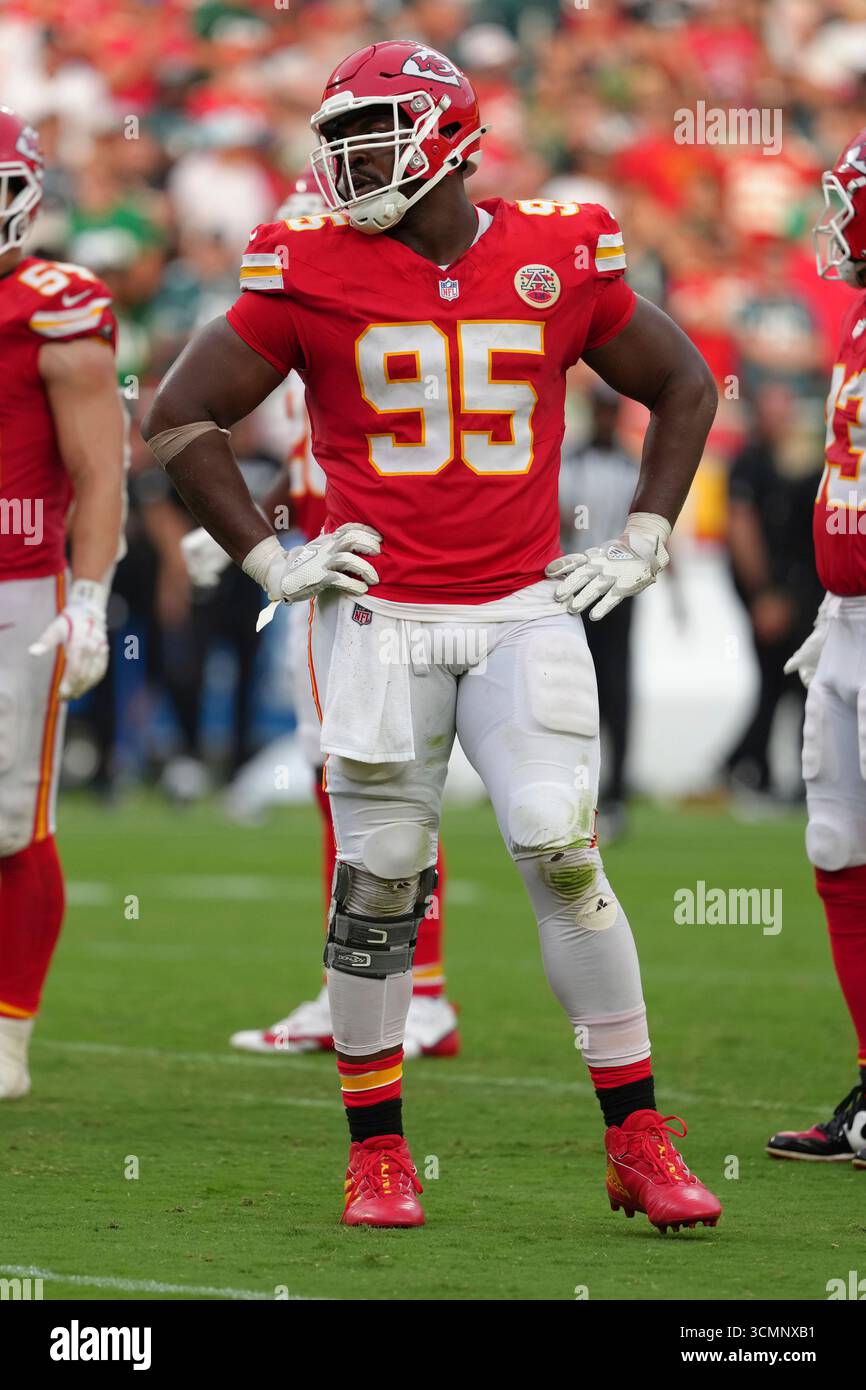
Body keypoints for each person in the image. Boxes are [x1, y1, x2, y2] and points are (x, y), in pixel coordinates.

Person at [143, 41, 721, 1234]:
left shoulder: (557, 248)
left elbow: (682, 383)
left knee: (561, 853)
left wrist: (646, 533)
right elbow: (178, 414)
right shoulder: (306, 264)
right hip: (380, 612)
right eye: (338, 138)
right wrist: (266, 554)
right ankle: (378, 1153)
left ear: (449, 136)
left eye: (373, 135)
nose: (347, 163)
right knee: (379, 884)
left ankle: (637, 1136)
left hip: (521, 606)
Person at [181, 181, 460, 1061]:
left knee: (375, 785)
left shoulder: (371, 310)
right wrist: (251, 527)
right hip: (329, 558)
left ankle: (415, 991)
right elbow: (310, 455)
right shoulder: (332, 315)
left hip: (370, 571)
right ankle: (390, 989)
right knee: (344, 783)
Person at [0, 107, 126, 1098]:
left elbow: (99, 471)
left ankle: (6, 1033)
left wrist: (88, 598)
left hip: (17, 581)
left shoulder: (55, 308)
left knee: (9, 822)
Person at [767, 132, 866, 1165]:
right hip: (844, 623)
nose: (835, 225)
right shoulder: (854, 322)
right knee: (837, 846)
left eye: (851, 203)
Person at [559, 383, 639, 840]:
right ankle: (573, 789)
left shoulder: (632, 465)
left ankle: (616, 793)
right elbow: (558, 517)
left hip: (621, 593)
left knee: (617, 692)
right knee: (573, 691)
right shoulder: (572, 463)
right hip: (578, 588)